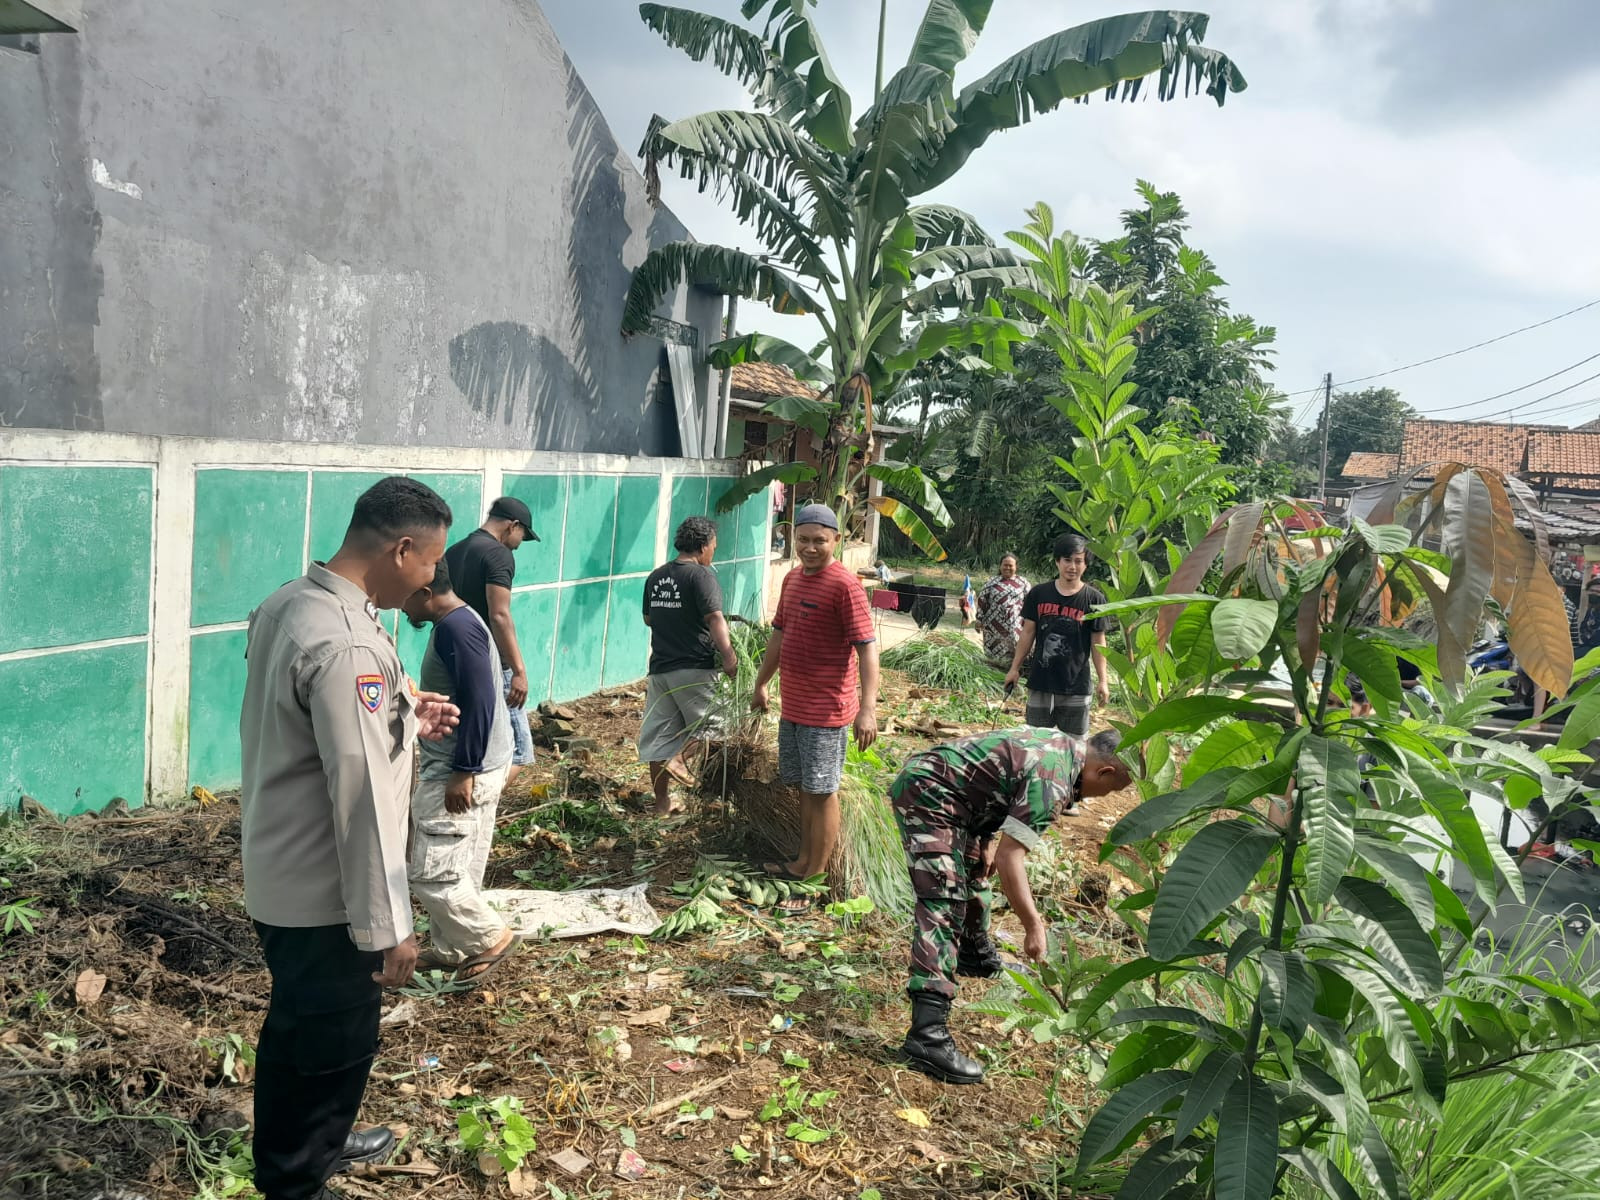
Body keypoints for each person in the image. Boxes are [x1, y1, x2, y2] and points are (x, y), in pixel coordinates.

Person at [239, 477, 460, 1200]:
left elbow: (323, 725)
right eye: (431, 561)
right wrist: (388, 925)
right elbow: (361, 798)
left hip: (282, 868)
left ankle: (320, 1145)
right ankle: (296, 1177)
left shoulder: (295, 605)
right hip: (329, 894)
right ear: (401, 550)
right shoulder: (346, 645)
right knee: (327, 1048)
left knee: (303, 1029)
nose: (432, 576)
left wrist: (401, 711)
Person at [891, 728, 1131, 1084]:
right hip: (929, 794)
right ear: (1103, 773)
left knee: (975, 872)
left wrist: (983, 838)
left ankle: (974, 955)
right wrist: (1033, 925)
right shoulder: (1055, 780)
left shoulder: (1062, 746)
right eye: (1108, 791)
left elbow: (994, 779)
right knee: (943, 902)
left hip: (957, 797)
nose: (1100, 797)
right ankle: (927, 1035)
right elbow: (1011, 859)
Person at [752, 503, 879, 910]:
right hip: (794, 705)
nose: (810, 548)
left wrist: (868, 709)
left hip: (827, 710)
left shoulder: (845, 586)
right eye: (803, 540)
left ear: (836, 541)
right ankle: (803, 862)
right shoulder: (791, 580)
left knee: (823, 791)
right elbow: (779, 635)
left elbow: (868, 649)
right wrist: (761, 682)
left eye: (819, 541)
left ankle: (816, 883)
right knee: (805, 787)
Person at [400, 560, 520, 982]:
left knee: (430, 874)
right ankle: (454, 948)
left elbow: (483, 699)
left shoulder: (456, 628)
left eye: (407, 596)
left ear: (426, 591)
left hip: (462, 767)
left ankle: (488, 938)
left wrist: (463, 770)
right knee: (460, 866)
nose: (402, 607)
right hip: (482, 762)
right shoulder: (463, 621)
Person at [639, 517, 738, 815]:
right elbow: (715, 619)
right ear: (704, 545)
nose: (713, 553)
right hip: (695, 666)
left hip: (660, 668)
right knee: (715, 726)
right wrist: (729, 655)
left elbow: (648, 619)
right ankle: (680, 761)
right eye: (714, 547)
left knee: (660, 737)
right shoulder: (701, 576)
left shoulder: (657, 576)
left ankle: (661, 804)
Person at [443, 497, 539, 784]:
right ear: (513, 525)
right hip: (491, 659)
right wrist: (519, 670)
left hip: (456, 656)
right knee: (521, 750)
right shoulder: (498, 554)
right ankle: (479, 803)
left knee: (470, 739)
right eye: (523, 535)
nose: (520, 544)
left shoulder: (454, 551)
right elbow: (499, 614)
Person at [1005, 533, 1109, 735]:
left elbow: (1098, 642)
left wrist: (1103, 681)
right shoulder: (1039, 594)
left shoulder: (1094, 600)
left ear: (1086, 564)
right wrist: (1014, 668)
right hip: (1040, 682)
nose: (1072, 566)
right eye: (1067, 560)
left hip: (1076, 685)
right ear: (1057, 562)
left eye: (1078, 561)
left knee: (1074, 747)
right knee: (1035, 744)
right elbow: (1027, 633)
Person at [975, 552, 1031, 667]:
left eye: (1011, 565)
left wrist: (1030, 621)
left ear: (1016, 567)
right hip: (993, 625)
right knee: (993, 655)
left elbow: (1030, 603)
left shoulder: (1023, 583)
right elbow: (982, 600)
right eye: (1005, 565)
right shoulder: (991, 582)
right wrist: (979, 619)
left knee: (1015, 651)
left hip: (1016, 626)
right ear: (1000, 566)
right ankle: (992, 673)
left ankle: (1014, 672)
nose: (1007, 568)